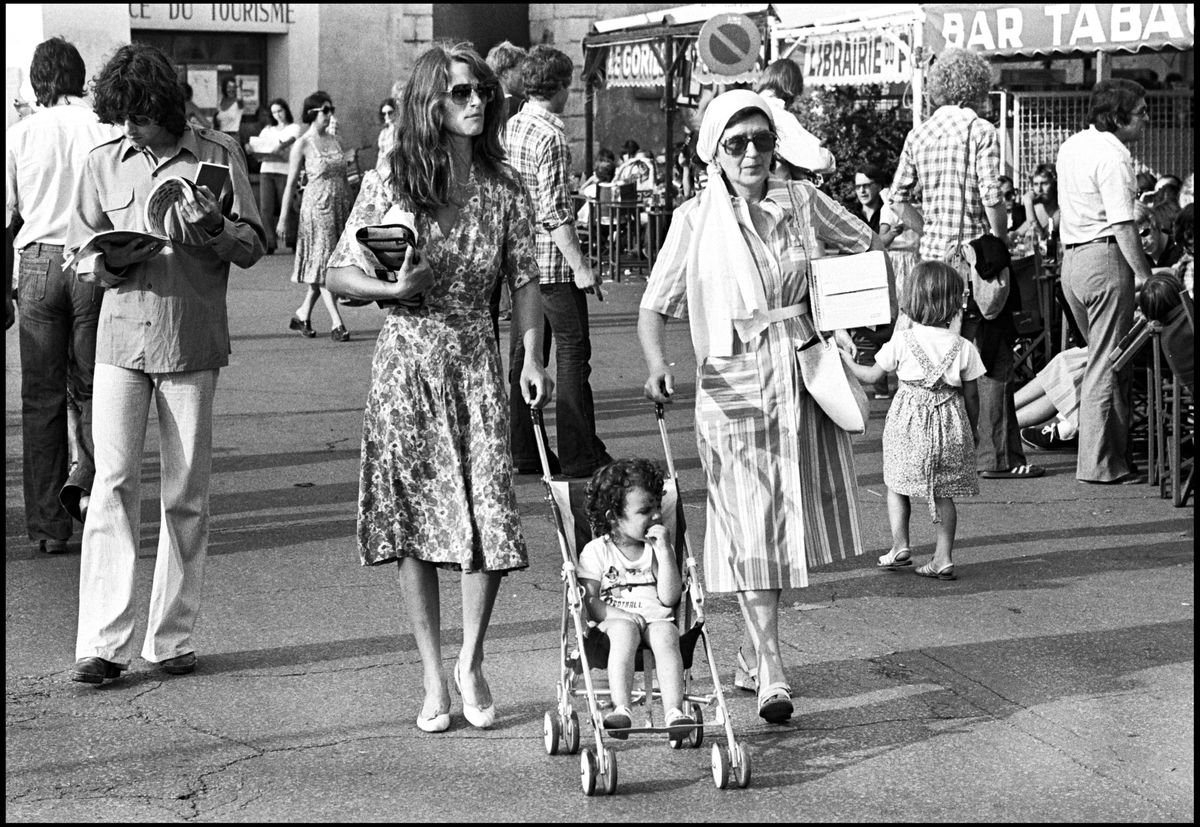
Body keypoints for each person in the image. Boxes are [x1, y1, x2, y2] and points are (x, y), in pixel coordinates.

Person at [325, 42, 552, 733]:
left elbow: (525, 279)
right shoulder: (392, 180)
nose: (477, 102)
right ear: (430, 102)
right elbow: (339, 274)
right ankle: (431, 674)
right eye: (460, 93)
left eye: (482, 90)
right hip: (406, 366)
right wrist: (394, 286)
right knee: (416, 526)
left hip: (477, 361)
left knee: (487, 520)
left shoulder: (504, 185)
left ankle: (472, 659)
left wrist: (532, 357)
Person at [639, 89, 883, 724]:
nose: (751, 153)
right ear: (715, 152)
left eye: (762, 141)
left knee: (781, 523)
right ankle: (772, 664)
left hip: (800, 373)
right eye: (737, 143)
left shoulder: (802, 202)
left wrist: (839, 310)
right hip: (732, 383)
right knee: (752, 522)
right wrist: (658, 363)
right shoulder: (696, 219)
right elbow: (653, 306)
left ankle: (753, 652)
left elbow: (867, 246)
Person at [64, 42, 265, 684]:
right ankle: (101, 643)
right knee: (112, 485)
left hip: (191, 337)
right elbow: (80, 251)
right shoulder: (102, 163)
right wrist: (108, 259)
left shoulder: (218, 154)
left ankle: (171, 637)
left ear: (166, 110)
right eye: (118, 116)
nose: (128, 128)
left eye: (139, 117)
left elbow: (256, 245)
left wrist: (213, 230)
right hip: (120, 338)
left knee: (186, 493)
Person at [891, 47, 1042, 481]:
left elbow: (898, 198)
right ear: (979, 86)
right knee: (991, 357)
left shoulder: (919, 134)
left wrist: (928, 229)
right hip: (976, 263)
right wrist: (999, 239)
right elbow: (992, 194)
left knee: (937, 357)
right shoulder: (981, 130)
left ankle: (936, 451)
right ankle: (993, 457)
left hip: (932, 263)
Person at [6, 37, 120, 555]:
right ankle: (98, 504)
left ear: (36, 80)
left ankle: (49, 526)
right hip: (91, 261)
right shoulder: (104, 127)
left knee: (41, 400)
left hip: (37, 264)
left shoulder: (20, 135)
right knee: (98, 391)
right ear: (79, 77)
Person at [506, 45, 611, 479]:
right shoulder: (550, 133)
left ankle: (525, 451)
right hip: (553, 264)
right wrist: (582, 266)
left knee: (525, 356)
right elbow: (553, 211)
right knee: (572, 354)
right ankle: (578, 453)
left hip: (520, 262)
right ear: (560, 86)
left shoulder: (512, 126)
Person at [843, 261, 984, 580]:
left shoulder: (902, 342)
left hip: (908, 425)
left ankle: (900, 545)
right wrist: (971, 430)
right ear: (954, 303)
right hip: (950, 424)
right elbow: (973, 397)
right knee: (944, 491)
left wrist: (846, 360)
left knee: (897, 484)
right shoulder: (964, 347)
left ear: (913, 300)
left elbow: (871, 375)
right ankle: (943, 556)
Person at [1056, 79, 1155, 485]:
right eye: (1142, 112)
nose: (1147, 118)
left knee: (1108, 360)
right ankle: (1099, 464)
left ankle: (1115, 456)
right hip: (1105, 258)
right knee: (1106, 364)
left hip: (1073, 262)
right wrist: (1146, 275)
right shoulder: (1115, 158)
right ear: (1117, 117)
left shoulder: (1072, 146)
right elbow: (1123, 223)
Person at [577, 459, 694, 738]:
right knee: (625, 631)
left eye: (657, 507)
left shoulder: (655, 550)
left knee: (667, 633)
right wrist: (621, 616)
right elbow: (590, 602)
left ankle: (675, 711)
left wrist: (665, 552)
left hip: (655, 620)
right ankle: (621, 708)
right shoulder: (596, 552)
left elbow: (669, 598)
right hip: (613, 625)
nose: (655, 516)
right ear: (614, 518)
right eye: (645, 510)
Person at [278, 91, 352, 341]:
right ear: (312, 113)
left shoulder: (335, 140)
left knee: (326, 266)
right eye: (325, 110)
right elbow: (289, 184)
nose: (330, 115)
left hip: (339, 207)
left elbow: (345, 175)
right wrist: (282, 218)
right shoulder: (303, 143)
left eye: (331, 109)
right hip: (316, 210)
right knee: (323, 266)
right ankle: (336, 323)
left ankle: (302, 315)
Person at [248, 98, 302, 255]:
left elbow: (291, 139)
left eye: (280, 111)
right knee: (266, 207)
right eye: (274, 112)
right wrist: (252, 149)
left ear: (286, 110)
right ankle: (269, 242)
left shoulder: (294, 127)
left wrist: (281, 145)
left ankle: (292, 239)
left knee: (287, 205)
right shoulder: (267, 130)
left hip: (285, 170)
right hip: (267, 169)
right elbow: (260, 146)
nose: (277, 115)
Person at [1017, 162, 1061, 259]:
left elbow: (1043, 236)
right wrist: (1012, 235)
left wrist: (1028, 203)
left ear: (1054, 184)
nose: (1039, 189)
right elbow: (1022, 229)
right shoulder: (1038, 207)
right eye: (1036, 184)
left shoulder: (1061, 208)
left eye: (1044, 183)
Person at [213, 77, 243, 141]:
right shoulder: (220, 102)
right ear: (224, 88)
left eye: (234, 87)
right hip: (221, 136)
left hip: (233, 137)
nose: (231, 89)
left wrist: (238, 86)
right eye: (229, 87)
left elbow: (240, 98)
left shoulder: (238, 103)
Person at [375, 97, 397, 172]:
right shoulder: (383, 132)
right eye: (384, 113)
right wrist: (377, 171)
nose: (387, 116)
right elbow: (380, 154)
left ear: (395, 112)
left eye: (390, 112)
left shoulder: (399, 130)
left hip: (396, 166)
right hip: (384, 168)